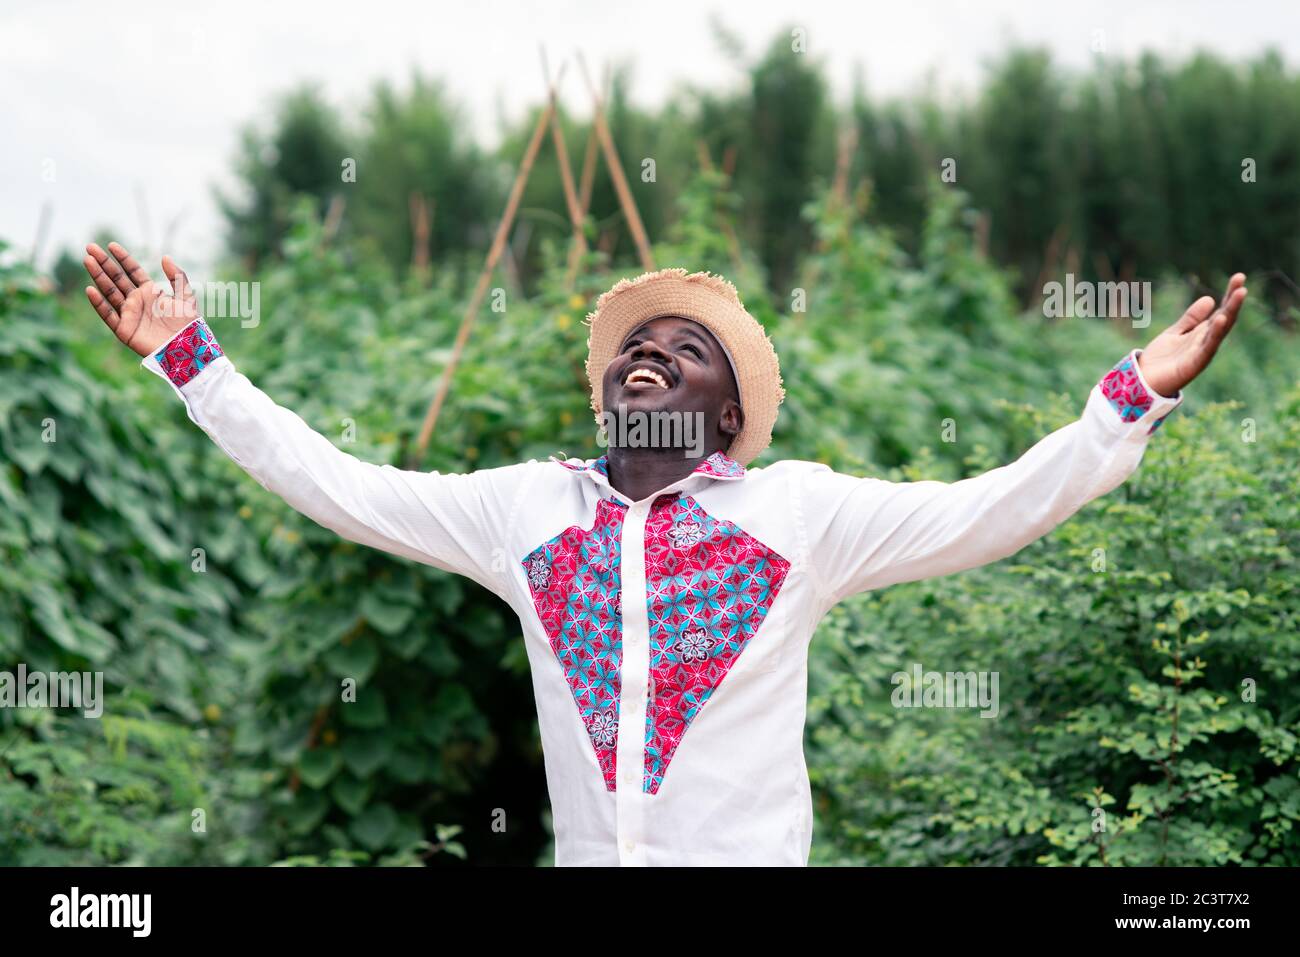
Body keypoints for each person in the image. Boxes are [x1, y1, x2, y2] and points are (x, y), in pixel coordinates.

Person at [83, 242, 1246, 866]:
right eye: (635, 346)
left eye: (686, 350)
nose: (649, 353)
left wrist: (1127, 400)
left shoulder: (797, 516)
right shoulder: (526, 512)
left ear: (727, 417)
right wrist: (193, 365)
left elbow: (988, 508)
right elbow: (340, 487)